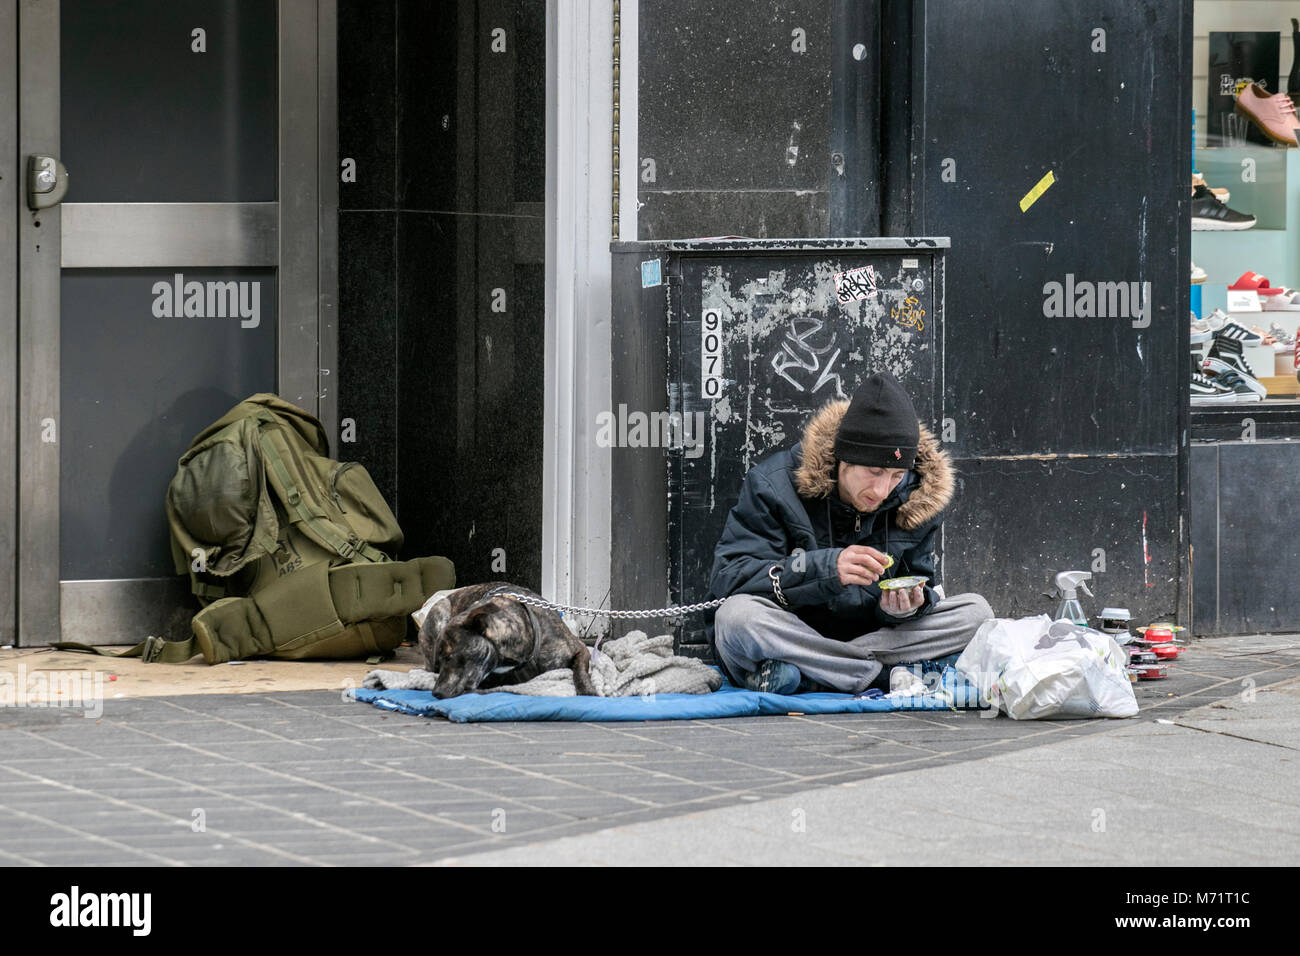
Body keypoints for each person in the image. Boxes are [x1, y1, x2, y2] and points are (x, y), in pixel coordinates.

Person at [704, 370, 994, 695]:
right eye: (875, 472)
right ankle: (879, 677)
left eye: (897, 474)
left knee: (975, 612)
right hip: (792, 632)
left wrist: (904, 606)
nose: (883, 490)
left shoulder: (915, 500)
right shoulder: (773, 485)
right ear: (843, 460)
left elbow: (922, 582)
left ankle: (814, 675)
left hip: (868, 638)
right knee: (736, 617)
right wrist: (825, 569)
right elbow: (729, 580)